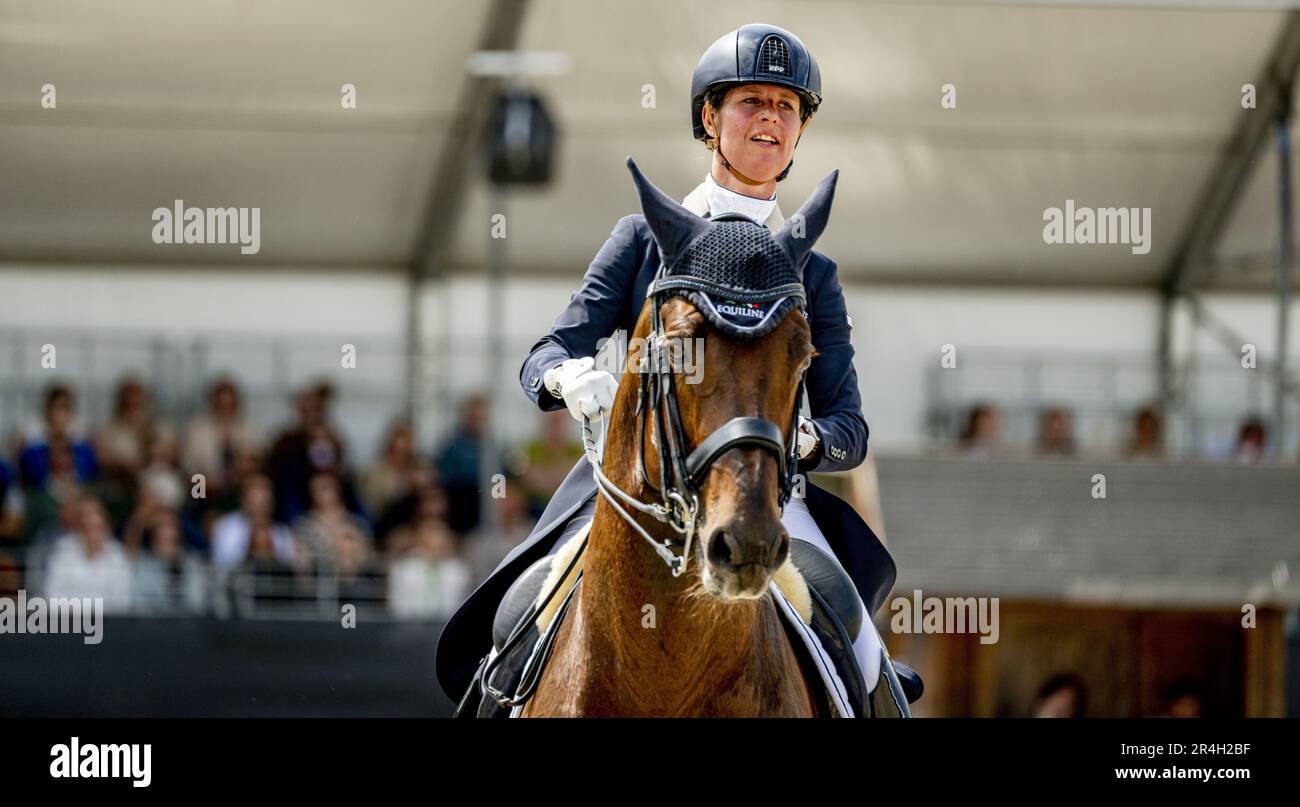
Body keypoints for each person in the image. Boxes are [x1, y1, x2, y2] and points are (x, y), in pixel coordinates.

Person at [437, 24, 892, 707]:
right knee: (510, 623)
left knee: (862, 649)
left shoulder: (813, 273)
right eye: (751, 100)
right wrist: (571, 379)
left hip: (762, 493)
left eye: (786, 107)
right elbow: (546, 354)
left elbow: (848, 425)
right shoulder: (645, 239)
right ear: (710, 118)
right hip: (639, 495)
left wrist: (801, 438)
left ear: (799, 132)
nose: (770, 116)